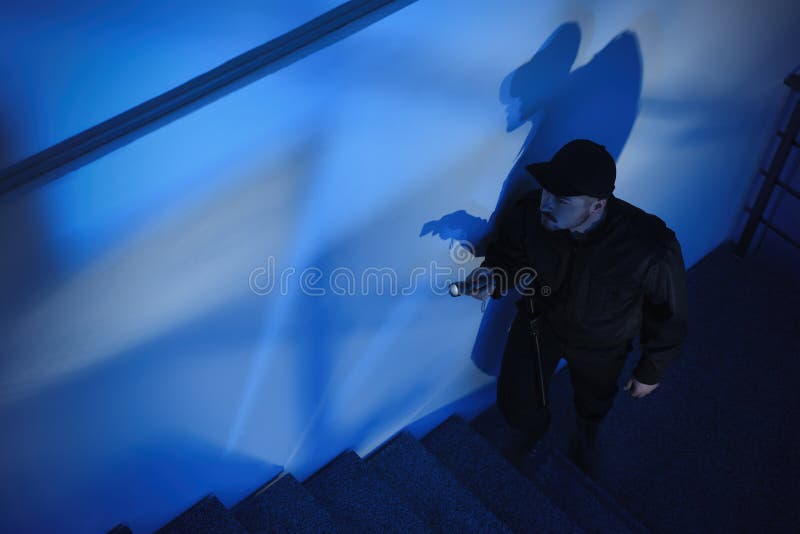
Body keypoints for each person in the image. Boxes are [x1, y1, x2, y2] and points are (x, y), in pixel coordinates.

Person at [462, 139, 688, 477]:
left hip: (603, 341)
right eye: (546, 191)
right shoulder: (531, 214)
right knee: (515, 400)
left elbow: (670, 312)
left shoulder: (648, 245)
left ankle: (587, 432)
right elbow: (510, 255)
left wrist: (651, 370)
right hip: (541, 322)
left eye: (562, 199)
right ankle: (533, 433)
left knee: (594, 398)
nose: (546, 204)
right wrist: (494, 276)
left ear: (597, 205)